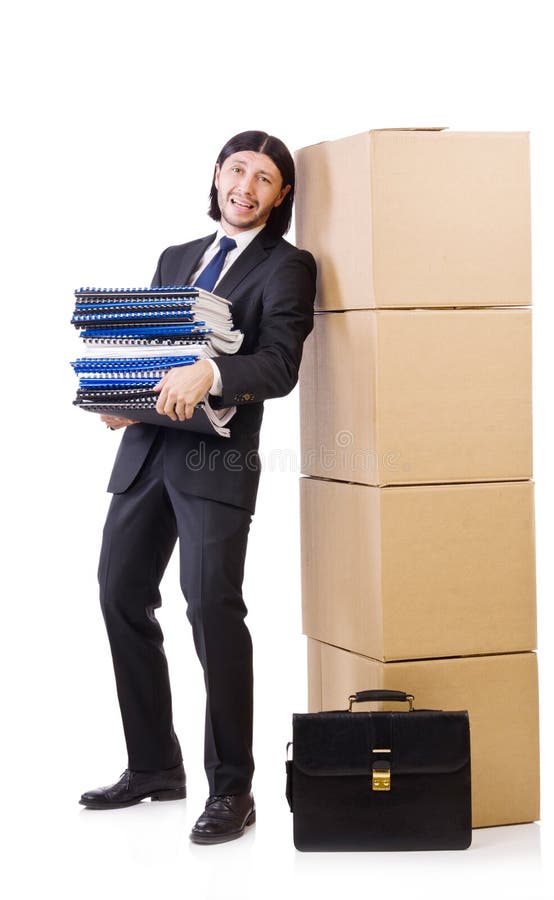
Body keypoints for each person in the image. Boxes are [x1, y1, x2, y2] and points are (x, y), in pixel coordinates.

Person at [79, 130, 317, 844]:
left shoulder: (289, 266)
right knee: (120, 594)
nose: (246, 186)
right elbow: (155, 347)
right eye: (237, 169)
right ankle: (154, 766)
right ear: (217, 174)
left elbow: (277, 366)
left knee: (212, 611)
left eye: (265, 178)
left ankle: (234, 789)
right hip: (148, 449)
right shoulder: (176, 258)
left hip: (213, 462)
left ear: (280, 197)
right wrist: (122, 395)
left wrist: (211, 375)